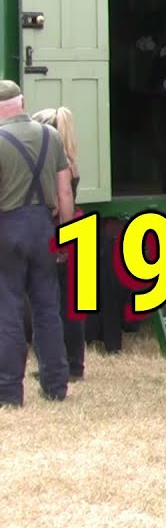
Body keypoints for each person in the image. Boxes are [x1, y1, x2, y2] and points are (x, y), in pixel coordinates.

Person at [0, 80, 75, 407]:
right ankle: (56, 386)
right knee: (48, 310)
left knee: (9, 311)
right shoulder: (52, 136)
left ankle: (9, 392)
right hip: (44, 227)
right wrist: (65, 235)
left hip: (8, 229)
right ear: (23, 102)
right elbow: (65, 193)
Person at [32, 106, 84, 382]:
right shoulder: (71, 161)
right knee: (74, 302)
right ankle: (76, 363)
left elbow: (56, 203)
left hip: (59, 232)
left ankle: (63, 364)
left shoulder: (54, 164)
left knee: (54, 302)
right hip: (78, 228)